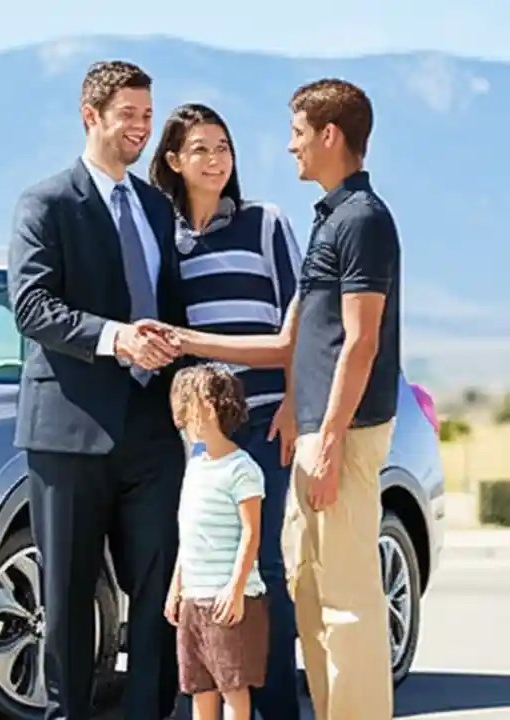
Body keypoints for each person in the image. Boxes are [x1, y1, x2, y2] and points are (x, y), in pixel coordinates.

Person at [141, 78, 400, 720]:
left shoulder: (361, 220)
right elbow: (293, 338)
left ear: (329, 136)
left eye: (299, 134)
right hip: (314, 429)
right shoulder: (332, 219)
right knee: (314, 595)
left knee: (343, 601)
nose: (290, 148)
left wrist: (327, 433)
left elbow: (359, 343)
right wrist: (183, 339)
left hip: (330, 430)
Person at [7, 59, 188, 720]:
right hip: (70, 432)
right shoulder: (47, 203)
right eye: (129, 115)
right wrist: (117, 338)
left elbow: (172, 306)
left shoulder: (154, 208)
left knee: (156, 593)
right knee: (69, 597)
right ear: (92, 116)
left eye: (148, 114)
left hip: (152, 430)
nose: (141, 127)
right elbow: (31, 308)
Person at [147, 103, 302, 720]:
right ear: (174, 161)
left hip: (264, 423)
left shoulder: (266, 223)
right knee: (205, 565)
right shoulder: (167, 239)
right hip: (199, 439)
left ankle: (278, 708)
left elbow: (298, 320)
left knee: (262, 566)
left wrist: (294, 401)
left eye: (223, 148)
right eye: (201, 149)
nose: (215, 160)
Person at [164, 362, 270, 720]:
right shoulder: (195, 467)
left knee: (233, 687)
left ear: (209, 407)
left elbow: (252, 532)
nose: (181, 418)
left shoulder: (242, 469)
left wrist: (235, 589)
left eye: (188, 407)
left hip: (228, 600)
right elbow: (189, 534)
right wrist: (177, 587)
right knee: (200, 687)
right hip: (195, 597)